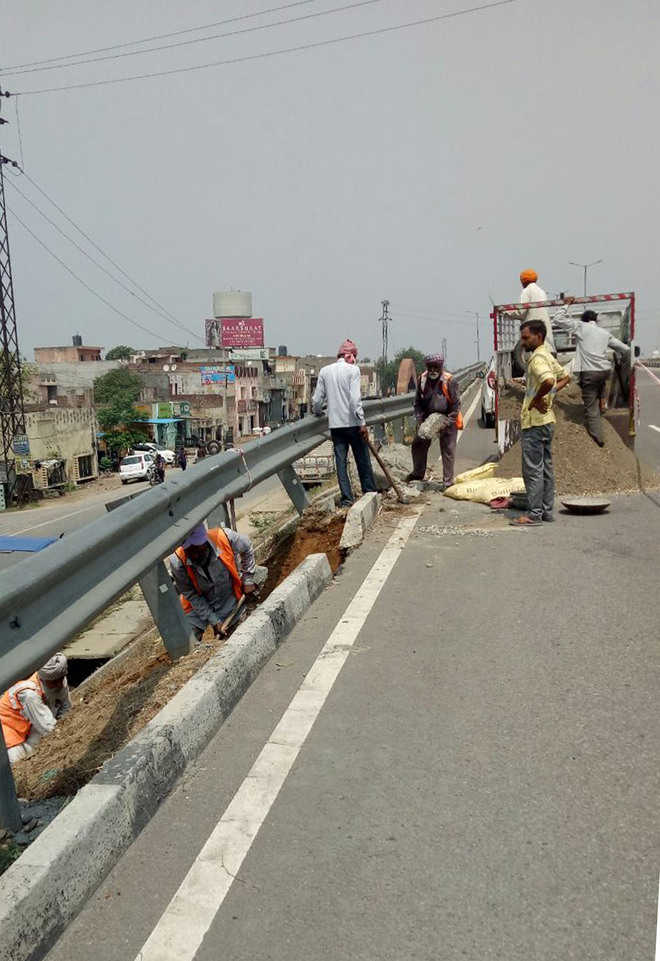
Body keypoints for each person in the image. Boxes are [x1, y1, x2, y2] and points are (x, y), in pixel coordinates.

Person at [510, 320, 570, 528]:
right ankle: (546, 511)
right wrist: (548, 396)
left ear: (539, 336)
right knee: (546, 468)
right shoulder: (547, 355)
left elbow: (549, 381)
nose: (523, 341)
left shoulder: (537, 360)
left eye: (526, 337)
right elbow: (565, 377)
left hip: (535, 423)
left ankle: (534, 514)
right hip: (547, 421)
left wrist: (537, 399)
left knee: (532, 469)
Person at [553, 297, 630, 447]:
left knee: (590, 407)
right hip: (604, 371)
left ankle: (598, 439)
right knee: (599, 385)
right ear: (596, 320)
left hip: (589, 373)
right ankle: (602, 403)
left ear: (584, 319)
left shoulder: (581, 326)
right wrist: (623, 362)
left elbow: (557, 319)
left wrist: (567, 304)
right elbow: (625, 350)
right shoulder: (604, 333)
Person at [170, 523, 267, 642]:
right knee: (187, 640)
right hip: (199, 605)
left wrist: (248, 581)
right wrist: (214, 620)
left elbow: (247, 547)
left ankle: (243, 614)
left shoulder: (224, 537)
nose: (195, 553)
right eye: (190, 550)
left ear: (205, 541)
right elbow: (191, 594)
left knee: (261, 573)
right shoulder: (177, 562)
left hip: (228, 594)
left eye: (197, 547)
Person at [312, 339, 377, 508]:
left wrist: (318, 413)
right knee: (362, 458)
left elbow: (317, 400)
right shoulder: (353, 370)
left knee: (340, 462)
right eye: (354, 356)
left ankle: (347, 499)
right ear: (350, 355)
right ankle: (369, 491)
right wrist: (362, 422)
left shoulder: (325, 371)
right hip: (353, 424)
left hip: (336, 426)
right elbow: (355, 400)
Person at [0, 653, 71, 764]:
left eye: (61, 679)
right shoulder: (29, 694)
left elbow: (66, 707)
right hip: (8, 730)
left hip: (27, 727)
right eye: (54, 682)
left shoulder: (58, 679)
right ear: (44, 679)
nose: (59, 684)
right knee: (18, 763)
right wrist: (67, 739)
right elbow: (46, 725)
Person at [408, 354, 463, 489]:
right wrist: (421, 419)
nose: (433, 370)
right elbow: (417, 403)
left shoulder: (449, 381)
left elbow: (456, 405)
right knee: (418, 443)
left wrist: (448, 421)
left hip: (447, 417)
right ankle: (418, 474)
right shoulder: (422, 380)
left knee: (448, 449)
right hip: (429, 418)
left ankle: (448, 482)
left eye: (436, 367)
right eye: (430, 367)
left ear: (441, 367)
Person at [508, 269, 555, 354]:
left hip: (533, 334)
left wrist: (506, 313)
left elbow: (521, 312)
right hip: (547, 340)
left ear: (523, 281)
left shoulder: (526, 291)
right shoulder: (542, 291)